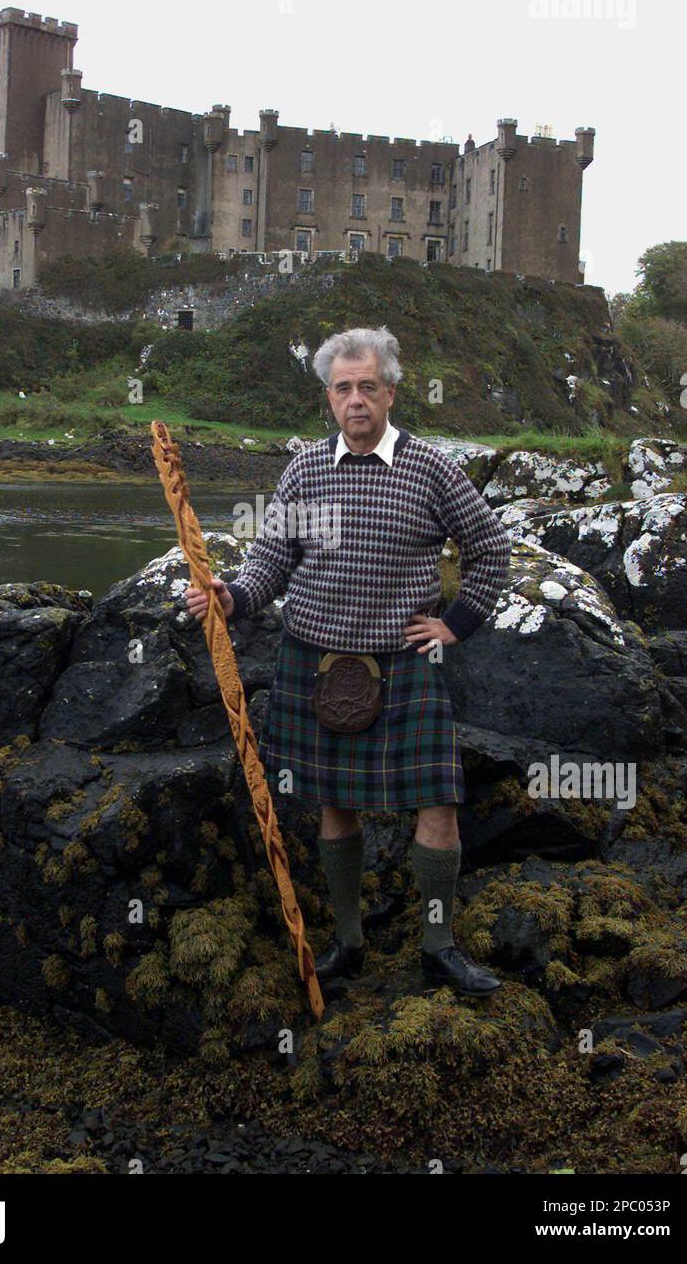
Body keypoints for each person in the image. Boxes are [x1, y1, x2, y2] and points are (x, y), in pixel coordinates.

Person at [184, 326, 511, 996]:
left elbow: (491, 548)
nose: (356, 400)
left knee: (439, 804)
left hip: (405, 660)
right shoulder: (305, 469)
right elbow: (272, 563)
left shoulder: (431, 469)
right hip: (318, 658)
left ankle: (439, 947)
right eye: (343, 388)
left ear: (390, 391)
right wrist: (233, 596)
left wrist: (455, 623)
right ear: (330, 399)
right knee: (335, 805)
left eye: (368, 386)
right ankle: (348, 942)